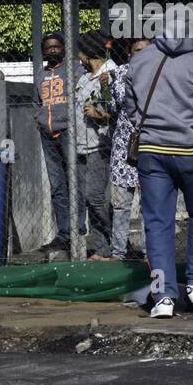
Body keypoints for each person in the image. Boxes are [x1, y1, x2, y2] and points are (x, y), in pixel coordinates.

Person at [124, 6, 193, 318]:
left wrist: (149, 128)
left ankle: (163, 297)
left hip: (150, 153)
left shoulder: (138, 61)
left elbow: (131, 108)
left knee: (157, 223)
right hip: (188, 152)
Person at [34, 31, 86, 256]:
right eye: (48, 47)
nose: (52, 50)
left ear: (64, 47)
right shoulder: (40, 74)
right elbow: (36, 102)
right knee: (57, 186)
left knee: (75, 181)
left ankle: (79, 229)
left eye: (56, 46)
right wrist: (39, 120)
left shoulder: (75, 68)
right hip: (47, 134)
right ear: (43, 51)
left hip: (68, 132)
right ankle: (64, 234)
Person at [104, 35, 150, 260]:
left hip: (152, 145)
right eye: (138, 50)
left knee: (149, 205)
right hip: (125, 147)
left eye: (147, 50)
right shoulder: (121, 73)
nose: (143, 54)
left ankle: (150, 251)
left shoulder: (160, 73)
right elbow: (115, 105)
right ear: (130, 54)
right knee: (122, 204)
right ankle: (118, 252)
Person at [76, 29, 118, 260]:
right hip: (82, 144)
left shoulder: (110, 74)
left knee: (95, 197)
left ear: (88, 52)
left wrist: (99, 113)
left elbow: (117, 109)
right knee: (89, 199)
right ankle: (103, 249)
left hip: (100, 144)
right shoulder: (84, 78)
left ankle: (117, 238)